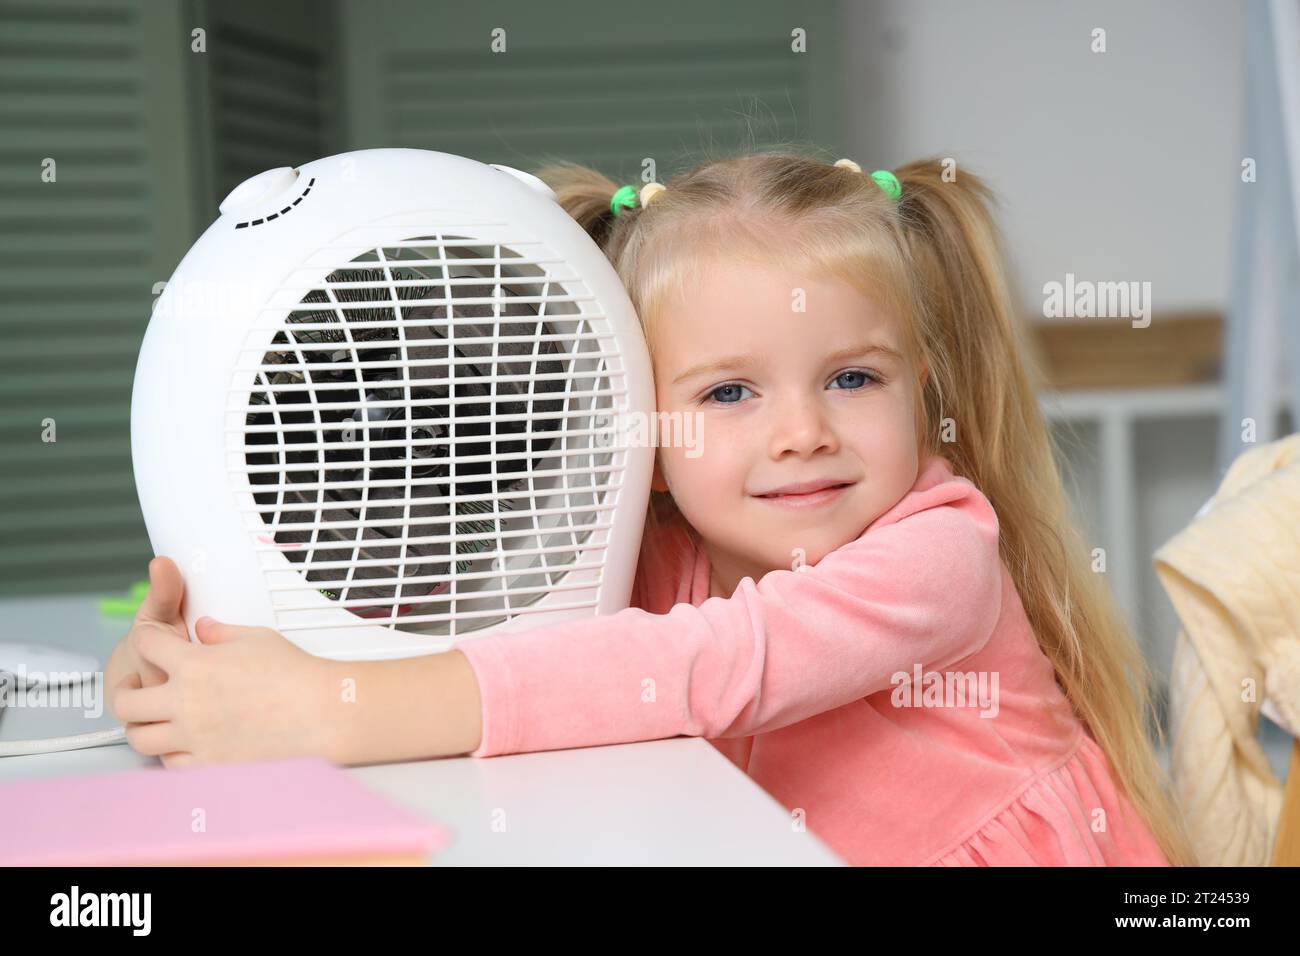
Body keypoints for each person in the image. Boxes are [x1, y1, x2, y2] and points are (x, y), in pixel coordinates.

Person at [107, 150, 1195, 866]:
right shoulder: (649, 546)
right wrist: (205, 667)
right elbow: (475, 623)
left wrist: (334, 706)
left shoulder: (939, 557)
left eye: (852, 378)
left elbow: (710, 663)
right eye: (728, 392)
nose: (800, 430)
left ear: (923, 387)